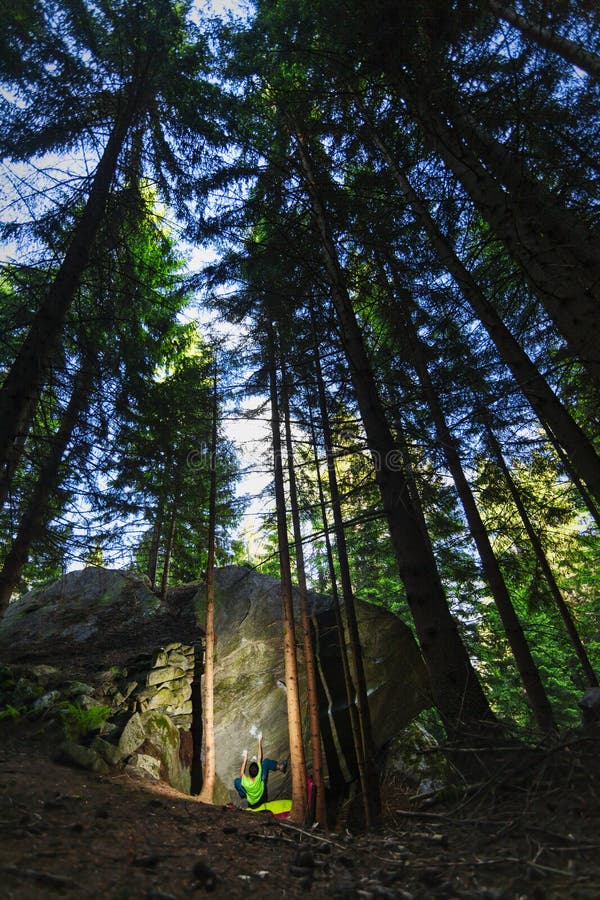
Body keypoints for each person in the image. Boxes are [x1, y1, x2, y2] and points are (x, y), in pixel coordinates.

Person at [233, 733, 288, 809]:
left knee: (236, 782)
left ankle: (242, 794)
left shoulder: (246, 782)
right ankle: (280, 767)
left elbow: (241, 773)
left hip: (252, 800)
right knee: (266, 762)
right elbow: (259, 757)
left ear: (249, 773)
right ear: (259, 770)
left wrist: (245, 758)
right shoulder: (259, 774)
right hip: (260, 792)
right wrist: (259, 740)